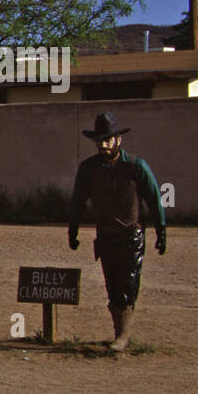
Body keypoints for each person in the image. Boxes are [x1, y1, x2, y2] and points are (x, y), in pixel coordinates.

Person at [68, 112, 166, 352]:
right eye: (99, 140)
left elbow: (154, 199)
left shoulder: (136, 166)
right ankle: (120, 333)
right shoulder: (89, 169)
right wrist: (73, 229)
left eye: (107, 139)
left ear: (118, 140)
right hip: (106, 235)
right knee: (113, 284)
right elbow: (78, 200)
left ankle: (123, 334)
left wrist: (161, 230)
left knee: (129, 283)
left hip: (131, 234)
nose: (103, 144)